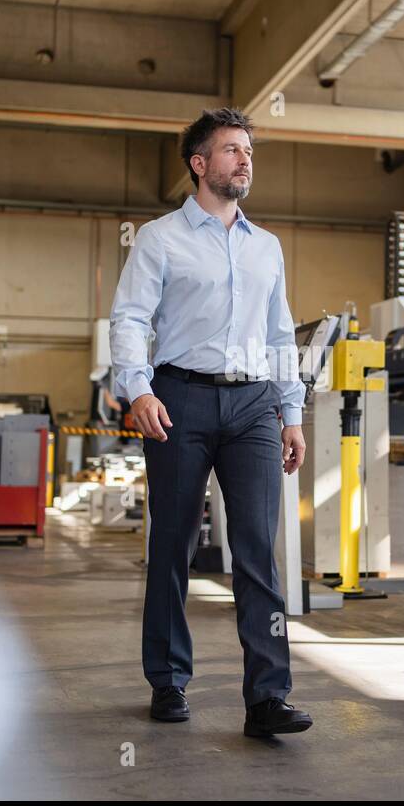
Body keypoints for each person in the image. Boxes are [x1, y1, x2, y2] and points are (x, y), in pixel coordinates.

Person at [109, 107, 312, 738]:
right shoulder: (160, 238)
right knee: (173, 543)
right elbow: (130, 320)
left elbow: (281, 334)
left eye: (249, 150)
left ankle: (268, 697)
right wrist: (137, 388)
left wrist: (292, 411)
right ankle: (168, 680)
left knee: (257, 550)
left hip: (254, 407)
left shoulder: (267, 247)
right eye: (231, 150)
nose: (245, 160)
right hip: (179, 401)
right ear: (200, 164)